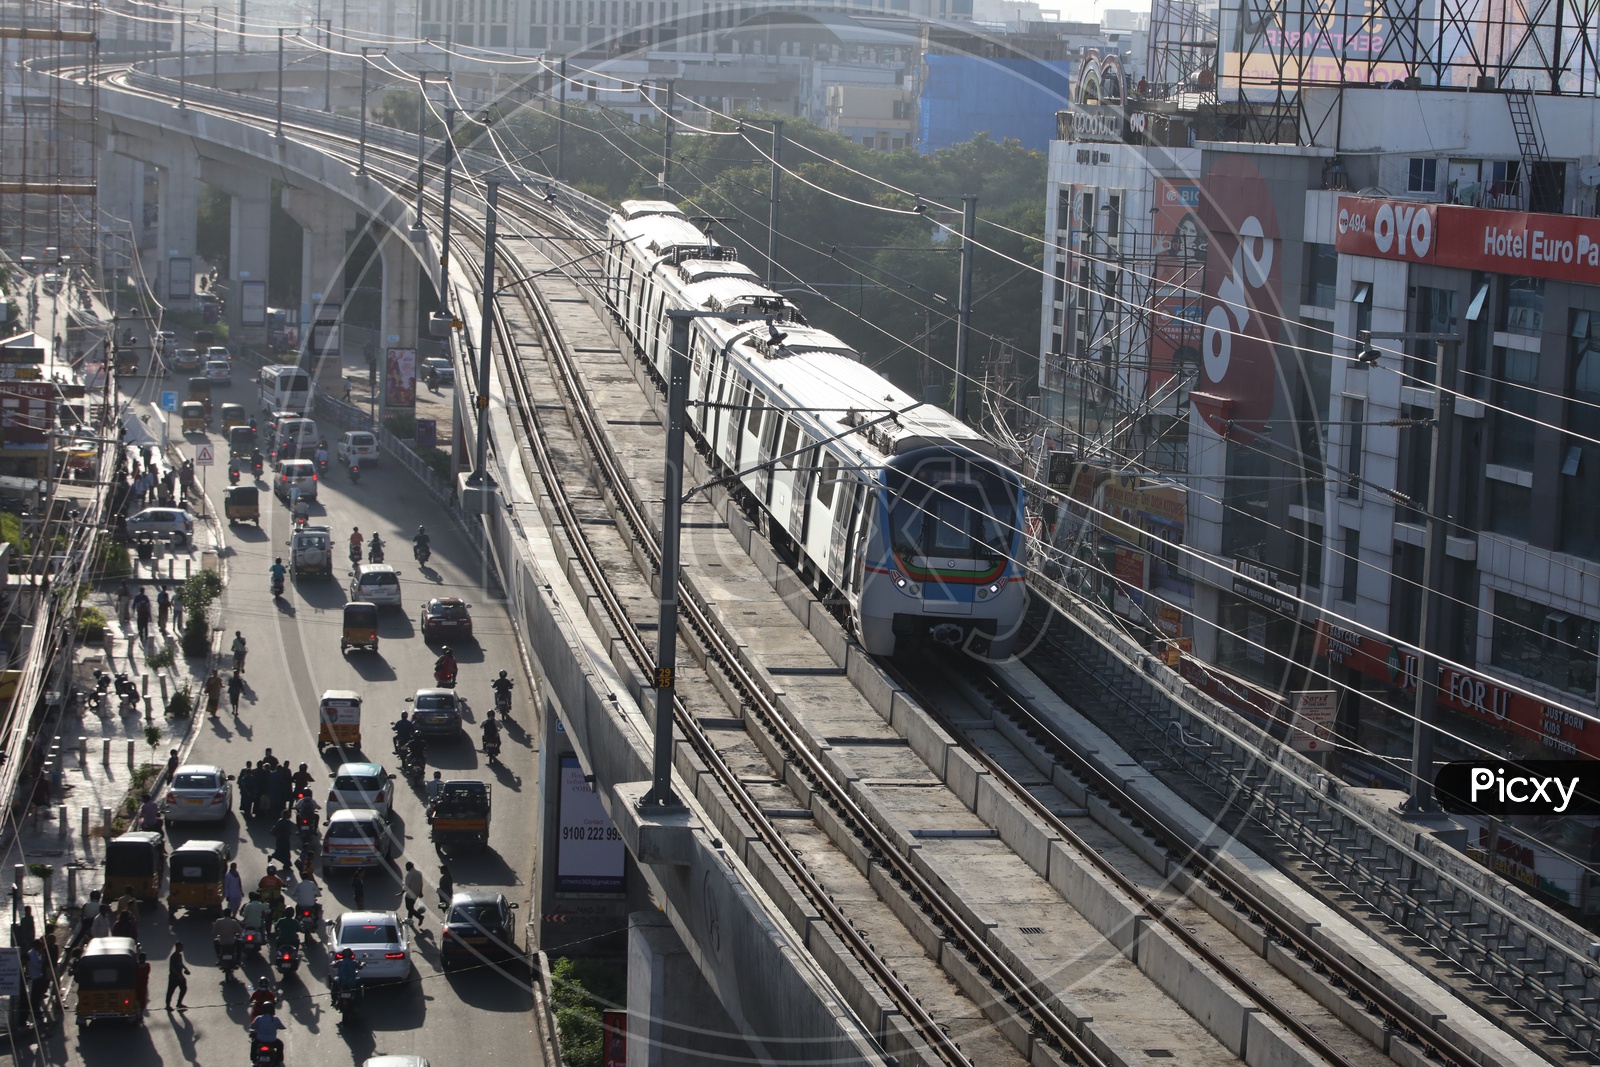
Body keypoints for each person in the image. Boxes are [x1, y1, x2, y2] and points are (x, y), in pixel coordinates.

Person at [164, 941, 190, 1010]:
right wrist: (178, 976)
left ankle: (179, 1003)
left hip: (179, 975)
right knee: (170, 991)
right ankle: (167, 1005)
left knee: (184, 989)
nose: (182, 948)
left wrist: (186, 969)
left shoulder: (179, 955)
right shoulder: (173, 956)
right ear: (177, 947)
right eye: (181, 947)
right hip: (173, 977)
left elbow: (181, 963)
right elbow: (172, 968)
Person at [402, 861, 424, 926]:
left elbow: (407, 885)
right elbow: (421, 883)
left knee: (409, 907)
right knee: (411, 907)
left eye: (406, 867)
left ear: (409, 867)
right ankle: (409, 919)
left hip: (410, 894)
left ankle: (420, 917)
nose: (406, 868)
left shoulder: (410, 874)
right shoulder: (419, 873)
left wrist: (402, 892)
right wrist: (420, 892)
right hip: (416, 893)